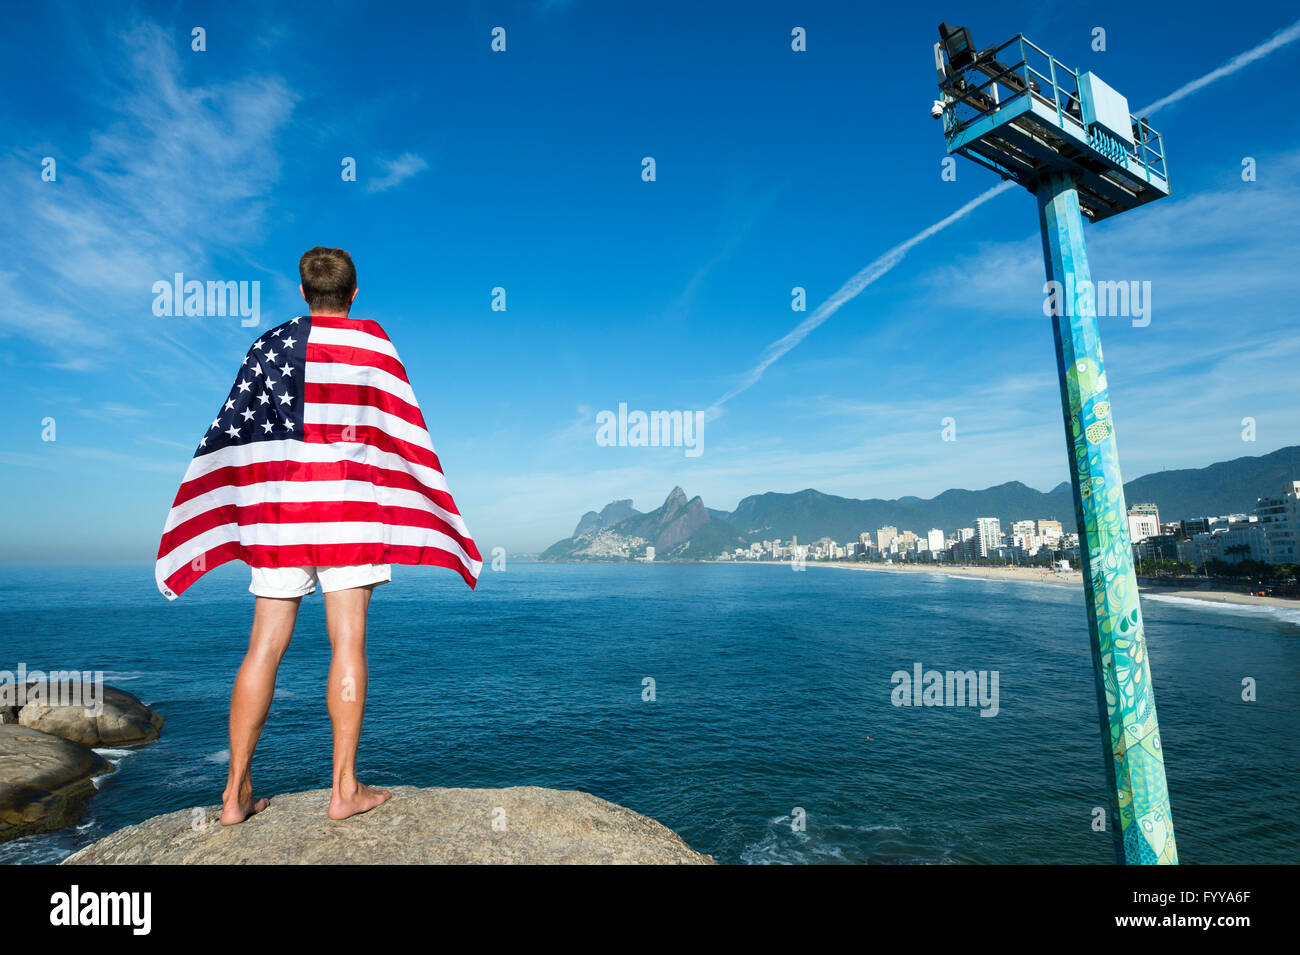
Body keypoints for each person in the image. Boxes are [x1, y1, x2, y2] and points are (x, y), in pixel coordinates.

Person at [153, 247, 482, 825]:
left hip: (280, 515)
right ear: (354, 294)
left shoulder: (268, 347)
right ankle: (343, 790)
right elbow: (404, 432)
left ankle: (233, 796)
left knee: (264, 647)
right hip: (349, 514)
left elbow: (232, 432)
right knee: (347, 642)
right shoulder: (374, 344)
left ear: (302, 292)